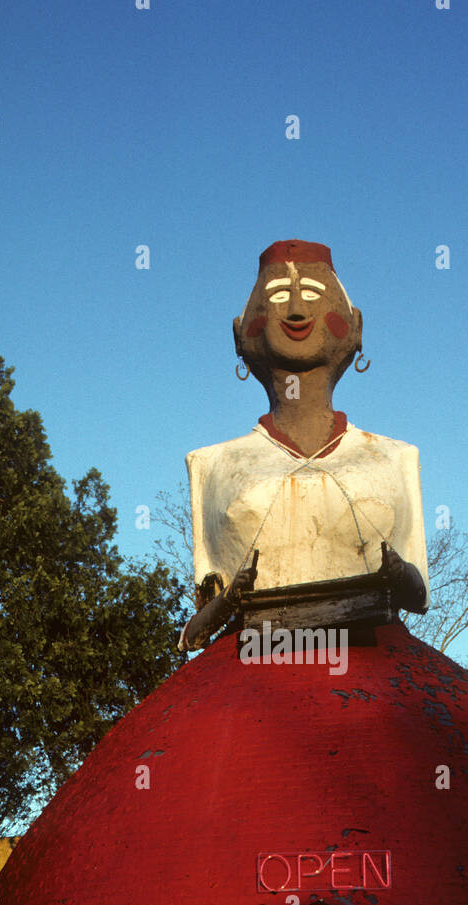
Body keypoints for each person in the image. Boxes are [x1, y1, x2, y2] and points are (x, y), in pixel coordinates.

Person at [179, 240, 429, 651]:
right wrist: (229, 598)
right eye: (277, 296)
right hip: (254, 665)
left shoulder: (396, 457)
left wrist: (400, 574)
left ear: (355, 327)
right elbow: (196, 632)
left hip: (375, 660)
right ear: (241, 332)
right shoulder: (213, 464)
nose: (296, 311)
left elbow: (418, 597)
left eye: (312, 294)